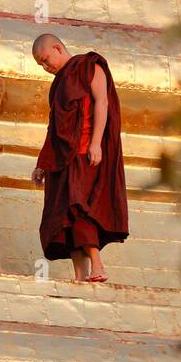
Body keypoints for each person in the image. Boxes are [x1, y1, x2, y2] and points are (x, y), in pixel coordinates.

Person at [31, 33, 128, 282]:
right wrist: (42, 164)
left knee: (79, 210)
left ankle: (97, 266)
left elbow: (102, 102)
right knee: (63, 218)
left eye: (45, 60)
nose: (45, 67)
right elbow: (54, 127)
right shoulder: (57, 85)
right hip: (62, 160)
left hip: (85, 154)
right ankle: (80, 275)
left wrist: (96, 143)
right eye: (40, 65)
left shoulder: (89, 65)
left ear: (57, 47)